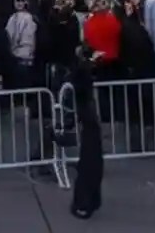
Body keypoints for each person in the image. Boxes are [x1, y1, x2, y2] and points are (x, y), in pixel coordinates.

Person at [55, 44, 104, 219]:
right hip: (87, 118)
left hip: (86, 118)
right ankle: (85, 201)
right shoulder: (80, 75)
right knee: (91, 160)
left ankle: (87, 200)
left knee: (91, 160)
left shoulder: (77, 75)